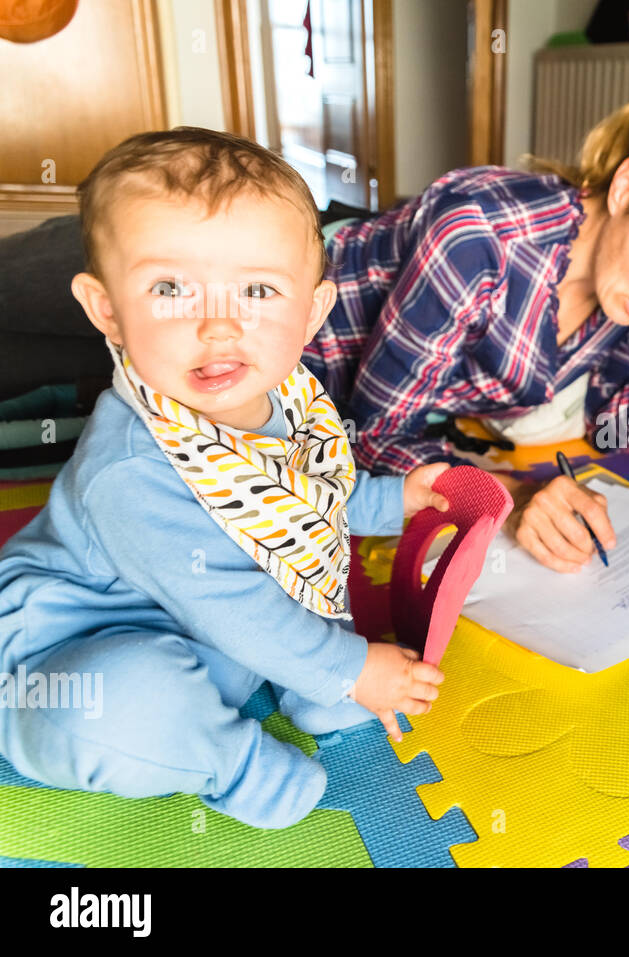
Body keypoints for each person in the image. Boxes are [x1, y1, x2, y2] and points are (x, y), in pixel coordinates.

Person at [0, 128, 453, 829]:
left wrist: (395, 498)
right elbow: (232, 603)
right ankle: (231, 761)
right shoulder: (132, 468)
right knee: (116, 705)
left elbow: (310, 491)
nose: (219, 325)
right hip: (64, 651)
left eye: (258, 289)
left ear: (311, 311)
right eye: (171, 288)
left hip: (195, 624)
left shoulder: (288, 396)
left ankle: (295, 678)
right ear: (108, 309)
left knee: (273, 628)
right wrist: (351, 668)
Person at [303, 96, 629, 574]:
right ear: (625, 188)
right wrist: (511, 497)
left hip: (387, 423)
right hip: (290, 384)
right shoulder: (478, 235)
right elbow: (378, 434)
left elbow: (613, 426)